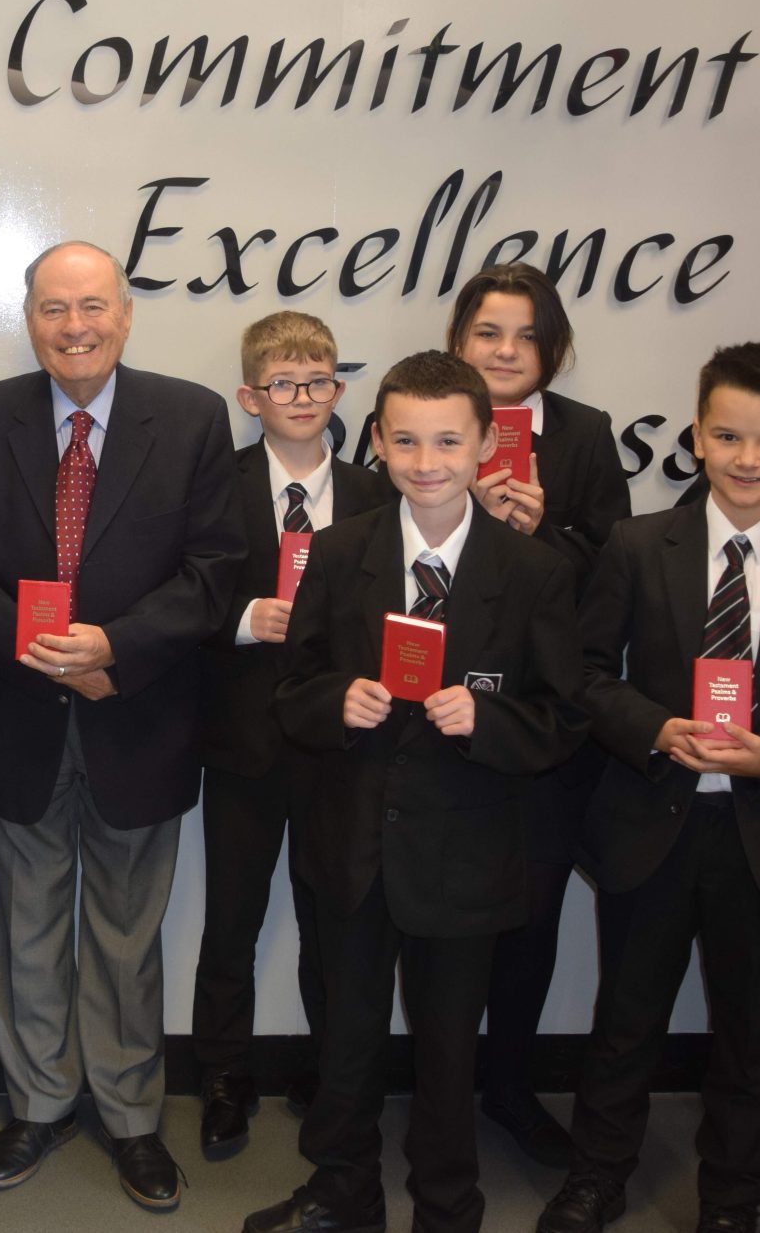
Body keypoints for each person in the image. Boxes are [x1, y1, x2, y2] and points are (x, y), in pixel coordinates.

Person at [538, 343, 760, 1233]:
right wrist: (655, 728)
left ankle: (733, 1198)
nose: (748, 459)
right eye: (729, 436)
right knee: (626, 1018)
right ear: (698, 434)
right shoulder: (635, 544)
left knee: (754, 1032)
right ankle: (597, 1178)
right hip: (651, 822)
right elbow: (582, 674)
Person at [242, 351, 587, 1233]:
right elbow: (295, 687)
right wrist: (334, 702)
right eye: (404, 440)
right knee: (346, 1040)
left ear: (484, 447)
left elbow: (562, 718)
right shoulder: (339, 549)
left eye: (447, 440)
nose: (425, 460)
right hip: (351, 844)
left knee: (445, 1050)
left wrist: (488, 719)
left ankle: (446, 1204)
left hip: (465, 854)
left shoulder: (533, 570)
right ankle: (340, 1191)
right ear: (380, 443)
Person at [0, 239, 241, 1212]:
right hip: (17, 715)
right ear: (28, 320)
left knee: (123, 936)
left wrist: (112, 645)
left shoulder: (189, 419)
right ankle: (36, 1102)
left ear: (125, 312)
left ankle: (130, 1117)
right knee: (26, 928)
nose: (75, 326)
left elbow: (214, 571)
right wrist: (29, 648)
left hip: (136, 717)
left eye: (92, 306)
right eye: (54, 309)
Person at [192, 310, 392, 1159]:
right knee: (232, 920)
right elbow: (180, 597)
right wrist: (243, 618)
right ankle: (224, 1079)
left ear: (339, 390)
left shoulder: (379, 492)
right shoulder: (215, 484)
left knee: (332, 924)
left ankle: (329, 1075)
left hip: (339, 750)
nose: (302, 396)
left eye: (318, 381)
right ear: (251, 396)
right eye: (283, 383)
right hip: (242, 744)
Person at [445, 262, 632, 1166]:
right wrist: (465, 522)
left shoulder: (587, 435)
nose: (506, 351)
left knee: (534, 913)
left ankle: (510, 1085)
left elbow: (617, 572)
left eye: (525, 336)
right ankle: (439, 1090)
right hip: (444, 713)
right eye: (489, 333)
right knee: (442, 911)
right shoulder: (431, 419)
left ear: (551, 349)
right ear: (459, 342)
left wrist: (543, 530)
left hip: (551, 719)